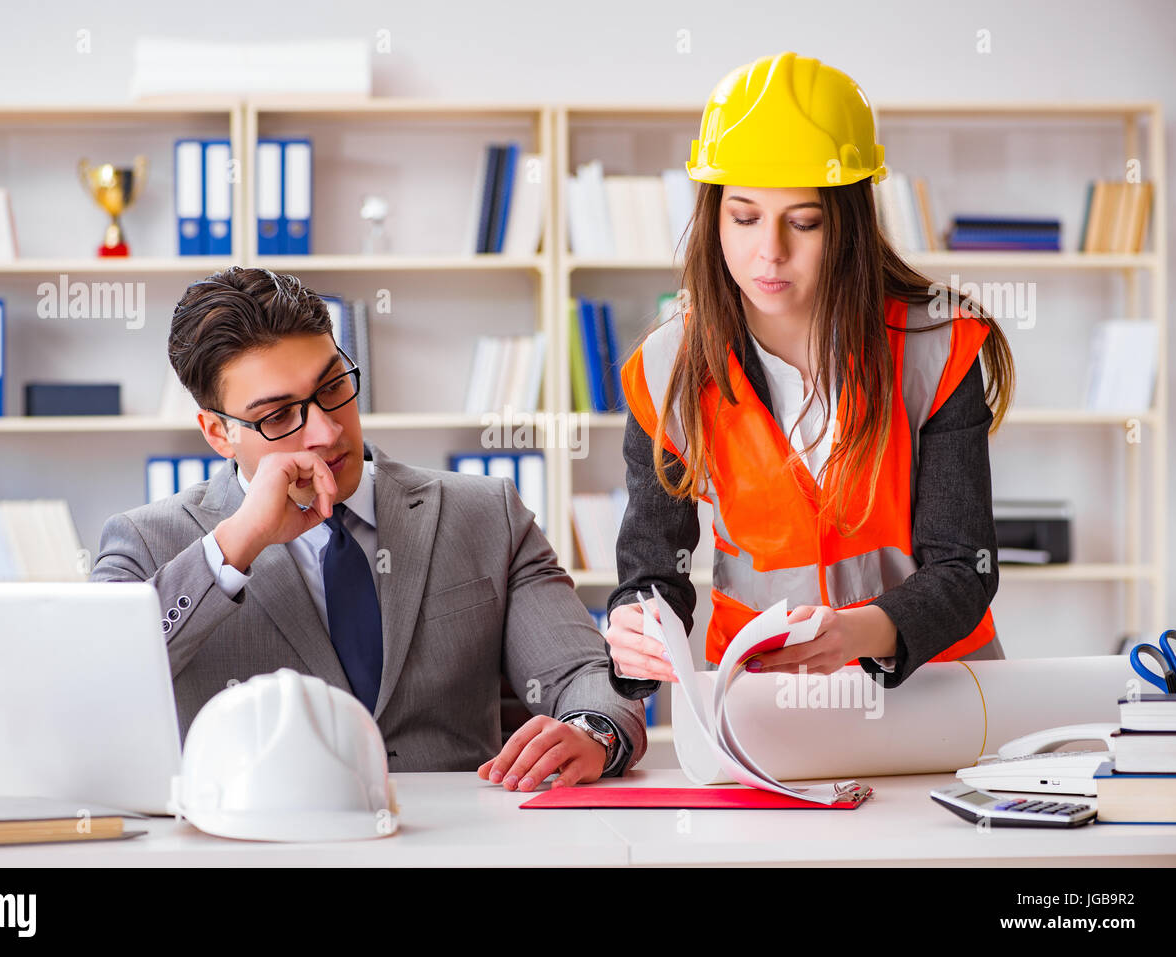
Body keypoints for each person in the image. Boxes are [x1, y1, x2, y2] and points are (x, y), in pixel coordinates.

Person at [90, 266, 644, 791]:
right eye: (279, 416)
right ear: (217, 433)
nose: (327, 431)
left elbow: (584, 674)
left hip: (460, 847)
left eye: (333, 387)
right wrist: (236, 544)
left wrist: (591, 733)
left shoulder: (484, 513)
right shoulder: (146, 543)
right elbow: (100, 685)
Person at [604, 51, 1016, 698]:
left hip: (937, 698)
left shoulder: (940, 346)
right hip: (764, 701)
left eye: (804, 222)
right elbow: (656, 569)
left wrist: (857, 633)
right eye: (743, 217)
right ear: (713, 216)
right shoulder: (666, 370)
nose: (770, 250)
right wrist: (635, 621)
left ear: (848, 222)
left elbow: (966, 567)